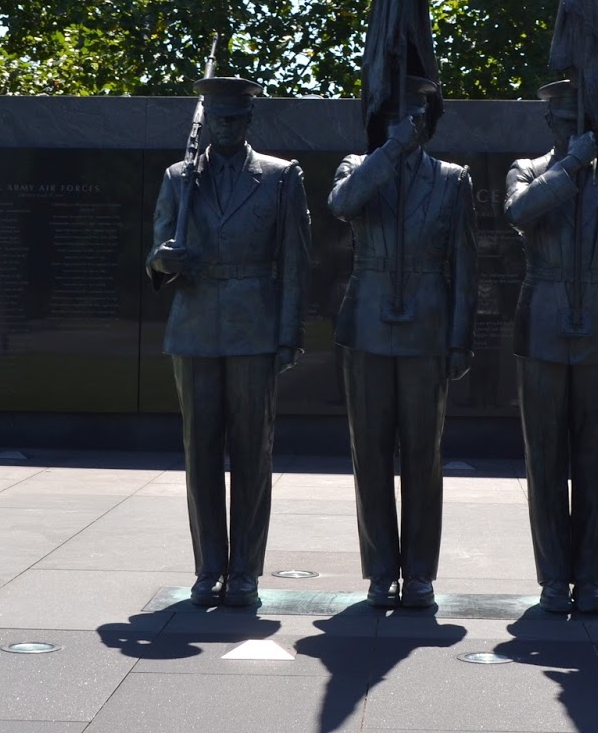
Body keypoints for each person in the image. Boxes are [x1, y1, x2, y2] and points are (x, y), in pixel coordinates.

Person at [147, 76, 310, 609]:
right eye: (217, 119)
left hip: (253, 324)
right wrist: (164, 259)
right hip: (194, 325)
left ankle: (245, 570)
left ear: (248, 121)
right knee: (200, 452)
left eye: (235, 119)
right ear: (208, 122)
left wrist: (289, 334)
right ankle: (208, 566)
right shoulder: (179, 176)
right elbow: (154, 252)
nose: (226, 127)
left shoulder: (282, 177)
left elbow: (295, 261)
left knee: (251, 451)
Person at [327, 75, 477, 609]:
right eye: (400, 114)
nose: (411, 122)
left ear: (432, 122)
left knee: (422, 454)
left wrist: (460, 339)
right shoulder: (358, 164)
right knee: (369, 454)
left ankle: (418, 572)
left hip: (427, 326)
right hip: (367, 324)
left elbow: (464, 264)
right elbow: (342, 203)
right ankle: (379, 570)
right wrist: (390, 149)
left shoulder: (452, 179)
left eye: (420, 114)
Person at [504, 80, 598, 614]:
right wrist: (569, 166)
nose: (569, 132)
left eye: (577, 124)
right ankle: (551, 577)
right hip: (542, 328)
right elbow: (519, 215)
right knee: (543, 461)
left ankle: (590, 577)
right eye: (560, 124)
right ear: (548, 125)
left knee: (595, 461)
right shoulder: (528, 170)